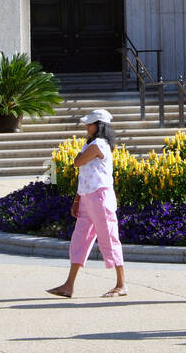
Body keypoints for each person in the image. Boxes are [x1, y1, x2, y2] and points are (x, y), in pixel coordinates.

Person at [46, 109, 126, 299]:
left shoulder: (99, 144)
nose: (86, 127)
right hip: (88, 197)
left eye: (89, 124)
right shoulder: (92, 144)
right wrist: (77, 199)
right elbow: (84, 174)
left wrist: (79, 198)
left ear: (99, 126)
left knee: (109, 238)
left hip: (100, 197)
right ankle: (68, 285)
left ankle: (121, 284)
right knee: (80, 239)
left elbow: (77, 163)